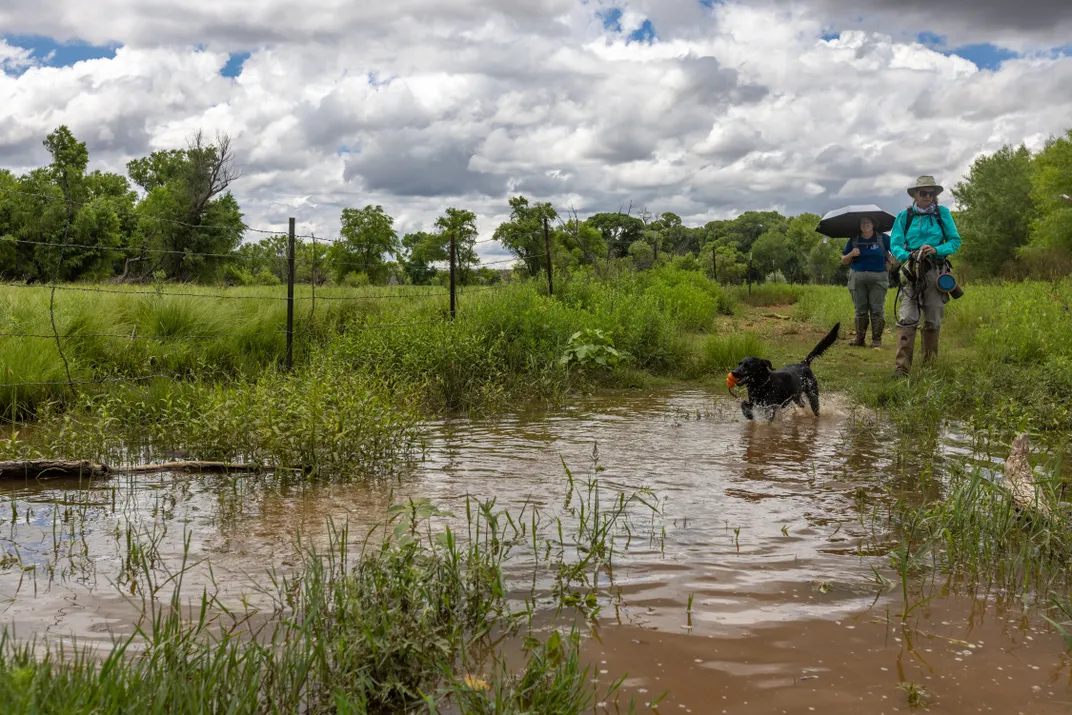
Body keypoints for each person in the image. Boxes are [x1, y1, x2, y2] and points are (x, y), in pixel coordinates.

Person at [888, 175, 962, 377]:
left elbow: (955, 241)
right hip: (911, 271)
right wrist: (908, 255)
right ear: (915, 194)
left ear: (935, 195)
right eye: (923, 193)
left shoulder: (942, 213)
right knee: (907, 317)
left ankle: (930, 365)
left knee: (933, 318)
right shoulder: (905, 216)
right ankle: (902, 368)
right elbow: (894, 244)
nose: (927, 196)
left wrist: (936, 249)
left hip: (936, 271)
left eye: (931, 193)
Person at [841, 216, 891, 348]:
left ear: (874, 224)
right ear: (859, 225)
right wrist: (851, 253)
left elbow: (897, 252)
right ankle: (860, 339)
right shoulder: (854, 239)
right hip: (857, 277)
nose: (865, 225)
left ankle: (876, 340)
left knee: (877, 309)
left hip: (879, 277)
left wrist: (890, 262)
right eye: (862, 222)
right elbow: (844, 260)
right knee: (860, 309)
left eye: (868, 222)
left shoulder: (883, 238)